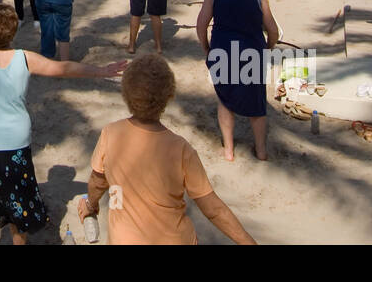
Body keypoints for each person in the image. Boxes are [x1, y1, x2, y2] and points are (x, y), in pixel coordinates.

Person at [0, 4, 125, 245]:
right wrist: (100, 71)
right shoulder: (24, 58)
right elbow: (62, 68)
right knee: (19, 214)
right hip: (15, 146)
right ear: (13, 32)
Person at [78, 53, 257, 244]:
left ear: (126, 93)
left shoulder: (110, 134)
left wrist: (91, 204)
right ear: (169, 95)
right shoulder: (181, 149)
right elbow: (213, 209)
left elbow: (98, 182)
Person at [197, 0, 280, 161]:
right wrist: (269, 48)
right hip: (252, 51)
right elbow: (273, 30)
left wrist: (206, 47)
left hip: (222, 49)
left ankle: (229, 150)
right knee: (257, 103)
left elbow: (201, 24)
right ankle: (261, 150)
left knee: (225, 100)